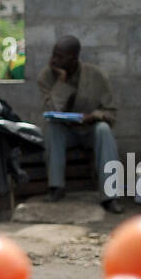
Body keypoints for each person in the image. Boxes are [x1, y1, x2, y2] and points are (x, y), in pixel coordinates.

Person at [37, 35, 123, 213]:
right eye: (54, 54)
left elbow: (111, 113)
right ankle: (56, 187)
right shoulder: (47, 76)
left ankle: (110, 196)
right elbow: (52, 110)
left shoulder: (97, 76)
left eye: (60, 56)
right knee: (52, 128)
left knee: (104, 130)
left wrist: (92, 116)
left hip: (90, 129)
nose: (54, 60)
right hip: (66, 132)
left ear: (74, 58)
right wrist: (61, 81)